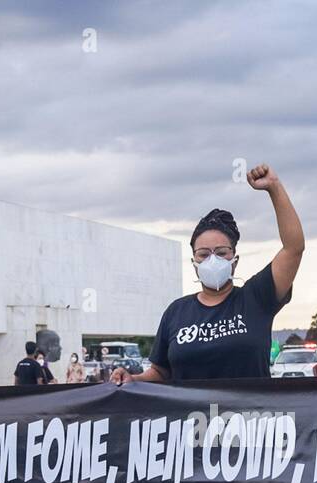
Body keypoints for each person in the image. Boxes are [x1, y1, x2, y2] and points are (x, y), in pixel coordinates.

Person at [112, 163, 304, 384]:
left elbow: (294, 248)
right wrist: (133, 379)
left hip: (249, 417)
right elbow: (161, 371)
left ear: (234, 259)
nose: (213, 260)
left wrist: (274, 187)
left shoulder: (256, 298)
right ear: (194, 262)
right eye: (204, 254)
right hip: (192, 418)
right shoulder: (176, 312)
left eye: (221, 253)